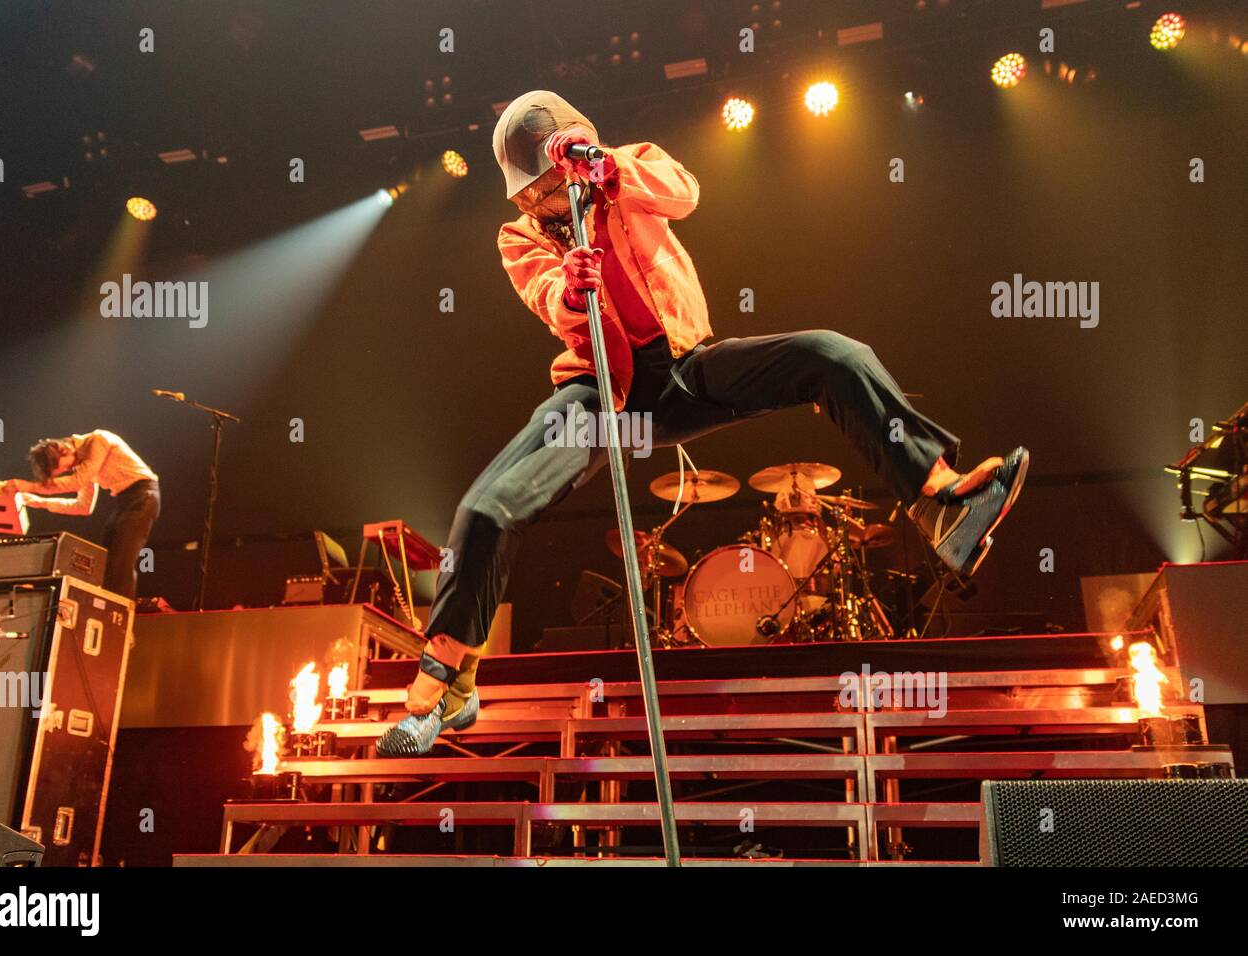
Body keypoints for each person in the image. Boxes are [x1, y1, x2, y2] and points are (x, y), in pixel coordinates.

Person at [376, 90, 1029, 756]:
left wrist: (607, 172)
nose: (546, 195)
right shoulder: (520, 235)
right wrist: (570, 288)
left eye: (553, 178)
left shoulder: (628, 170)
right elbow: (546, 297)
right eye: (536, 188)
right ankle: (448, 680)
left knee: (834, 355)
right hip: (604, 396)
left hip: (687, 372)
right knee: (488, 508)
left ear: (576, 149)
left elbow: (683, 191)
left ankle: (939, 497)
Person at [3, 430, 161, 599]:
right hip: (127, 501)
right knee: (107, 563)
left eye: (62, 466)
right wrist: (37, 501)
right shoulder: (84, 466)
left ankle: (121, 614)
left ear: (63, 448)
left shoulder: (98, 440)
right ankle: (109, 609)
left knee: (121, 563)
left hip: (142, 496)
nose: (66, 470)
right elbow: (83, 506)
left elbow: (77, 481)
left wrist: (29, 486)